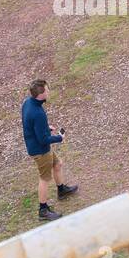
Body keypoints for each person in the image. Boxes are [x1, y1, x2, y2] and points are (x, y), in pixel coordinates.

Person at [21, 80, 78, 222]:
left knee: (58, 164)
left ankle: (62, 190)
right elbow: (43, 140)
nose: (49, 92)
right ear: (41, 94)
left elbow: (31, 124)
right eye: (47, 90)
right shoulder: (38, 113)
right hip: (40, 151)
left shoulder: (28, 102)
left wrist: (45, 127)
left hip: (38, 146)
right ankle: (43, 210)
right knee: (44, 179)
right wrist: (59, 137)